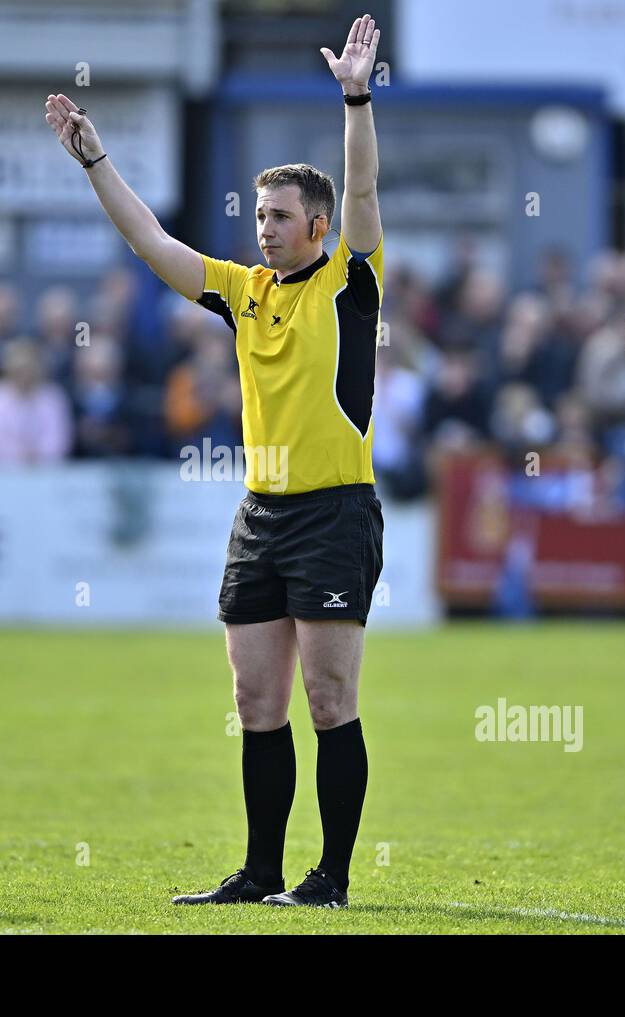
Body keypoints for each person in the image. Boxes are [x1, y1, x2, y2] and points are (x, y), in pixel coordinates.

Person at [45, 13, 385, 909]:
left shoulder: (351, 279)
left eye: (278, 217)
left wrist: (355, 97)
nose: (262, 228)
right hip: (261, 514)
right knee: (255, 697)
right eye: (260, 214)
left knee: (328, 698)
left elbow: (362, 190)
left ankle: (333, 879)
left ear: (317, 226)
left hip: (336, 511)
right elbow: (153, 245)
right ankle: (261, 872)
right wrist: (94, 161)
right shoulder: (244, 293)